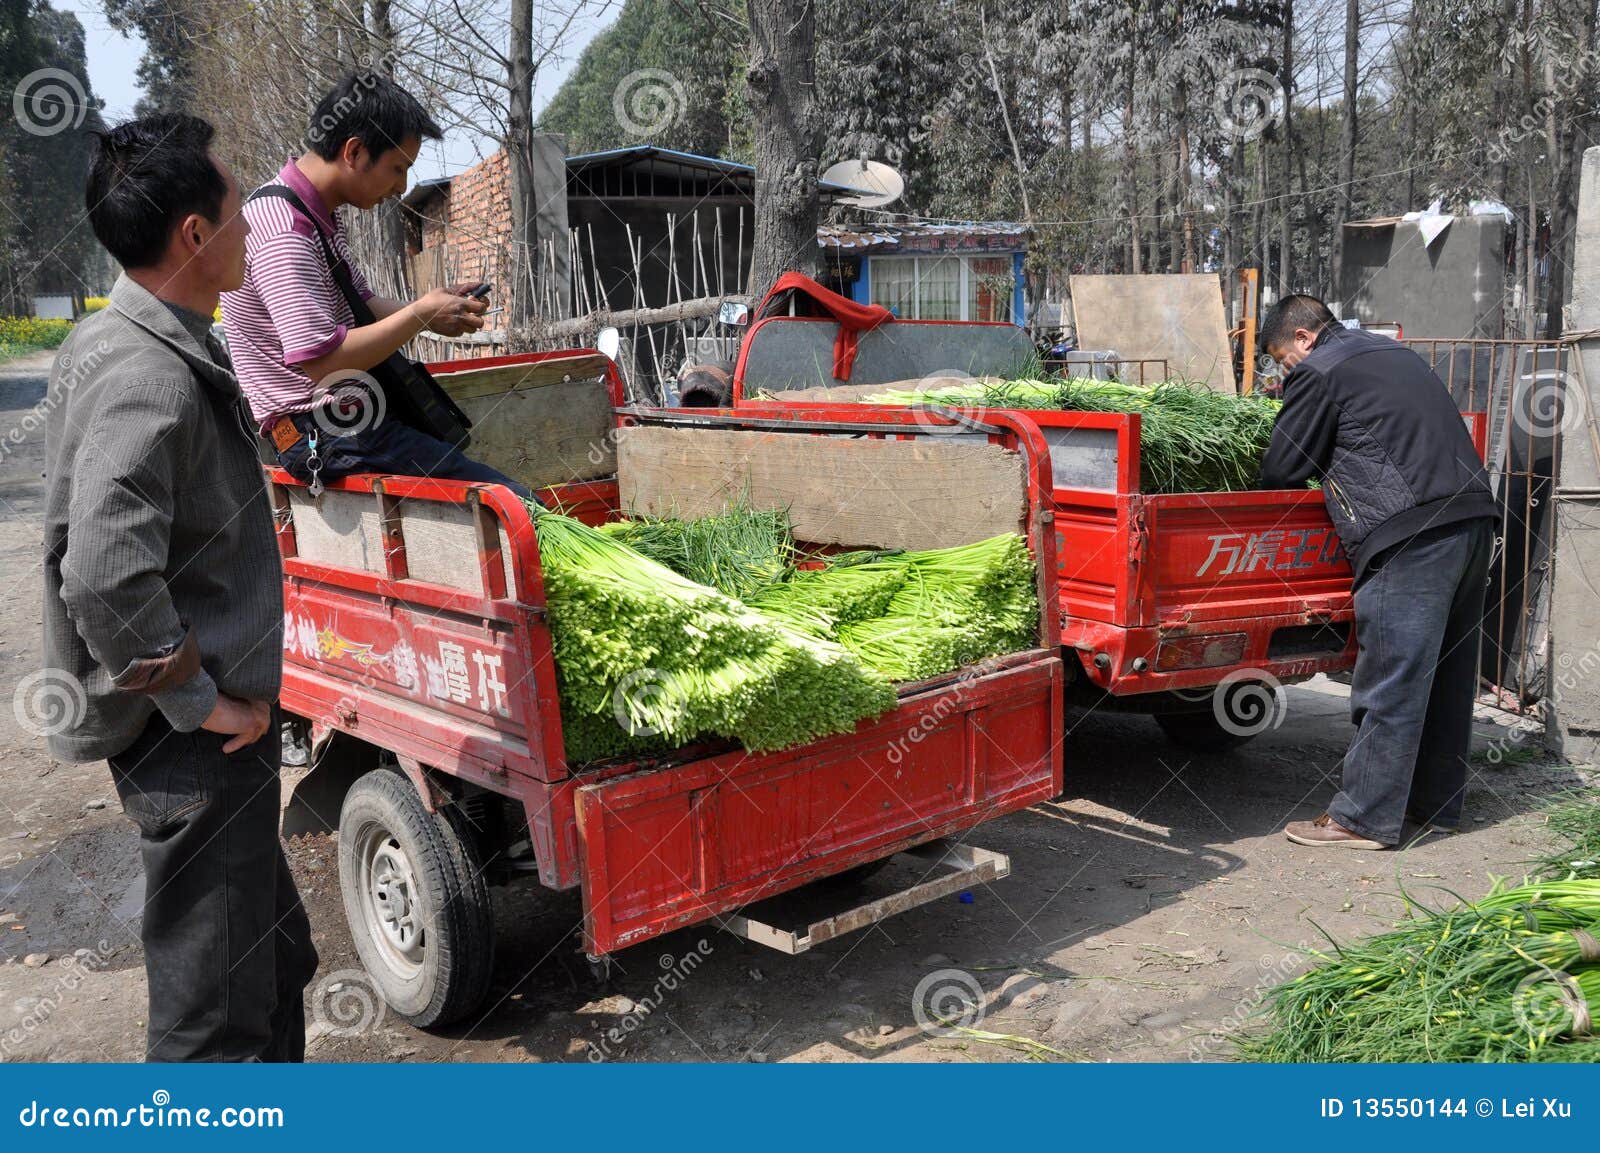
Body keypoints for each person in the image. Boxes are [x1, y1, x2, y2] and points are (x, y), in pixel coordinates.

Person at [43, 114, 317, 1060]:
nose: (253, 225)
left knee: (277, 965)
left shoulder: (121, 337)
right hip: (192, 753)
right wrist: (202, 704)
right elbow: (103, 573)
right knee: (216, 1027)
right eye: (240, 207)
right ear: (194, 236)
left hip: (206, 745)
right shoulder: (146, 375)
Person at [1259, 295, 1498, 850]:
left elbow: (1283, 466)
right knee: (1445, 675)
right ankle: (1435, 806)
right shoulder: (1395, 355)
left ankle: (1361, 819)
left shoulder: (1318, 370)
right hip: (1473, 521)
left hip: (1410, 534)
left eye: (1279, 358)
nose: (1282, 371)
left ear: (1301, 338)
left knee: (1391, 673)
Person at [222, 72, 532, 499]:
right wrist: (420, 314)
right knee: (508, 501)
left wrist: (432, 310)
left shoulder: (316, 214)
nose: (401, 187)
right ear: (354, 151)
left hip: (349, 417)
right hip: (322, 432)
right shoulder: (285, 232)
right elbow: (322, 361)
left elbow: (363, 304)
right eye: (397, 168)